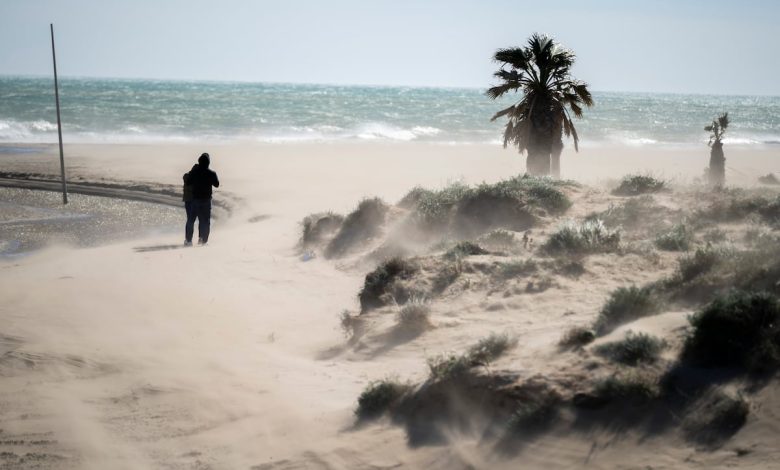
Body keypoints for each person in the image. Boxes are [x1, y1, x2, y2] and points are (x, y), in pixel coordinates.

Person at [183, 153, 220, 245]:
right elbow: (217, 184)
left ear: (199, 162)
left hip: (196, 200)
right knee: (205, 221)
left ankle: (188, 241)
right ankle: (203, 241)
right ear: (208, 163)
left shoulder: (195, 172)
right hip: (206, 200)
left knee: (191, 220)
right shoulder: (211, 173)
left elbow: (188, 182)